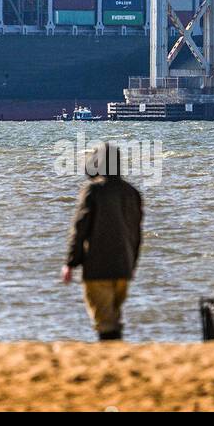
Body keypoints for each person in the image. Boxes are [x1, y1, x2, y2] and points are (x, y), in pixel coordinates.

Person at [61, 142, 143, 341]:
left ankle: (112, 360)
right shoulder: (132, 192)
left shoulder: (93, 191)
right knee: (114, 316)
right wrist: (132, 264)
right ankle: (119, 357)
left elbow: (80, 228)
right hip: (124, 267)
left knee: (105, 323)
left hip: (98, 268)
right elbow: (137, 234)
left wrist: (71, 263)